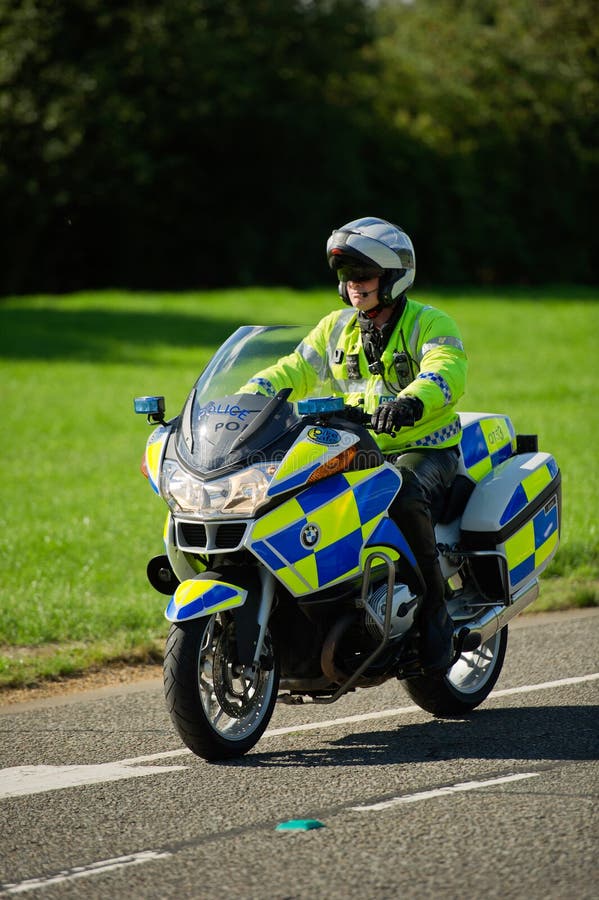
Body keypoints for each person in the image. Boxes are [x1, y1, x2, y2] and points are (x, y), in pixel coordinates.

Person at [241, 217, 467, 674]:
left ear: (392, 278)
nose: (353, 287)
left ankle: (436, 612)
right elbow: (291, 370)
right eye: (346, 278)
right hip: (355, 449)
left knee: (399, 487)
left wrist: (409, 403)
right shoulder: (335, 329)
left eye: (362, 276)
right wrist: (248, 397)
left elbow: (446, 371)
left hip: (423, 448)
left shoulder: (430, 323)